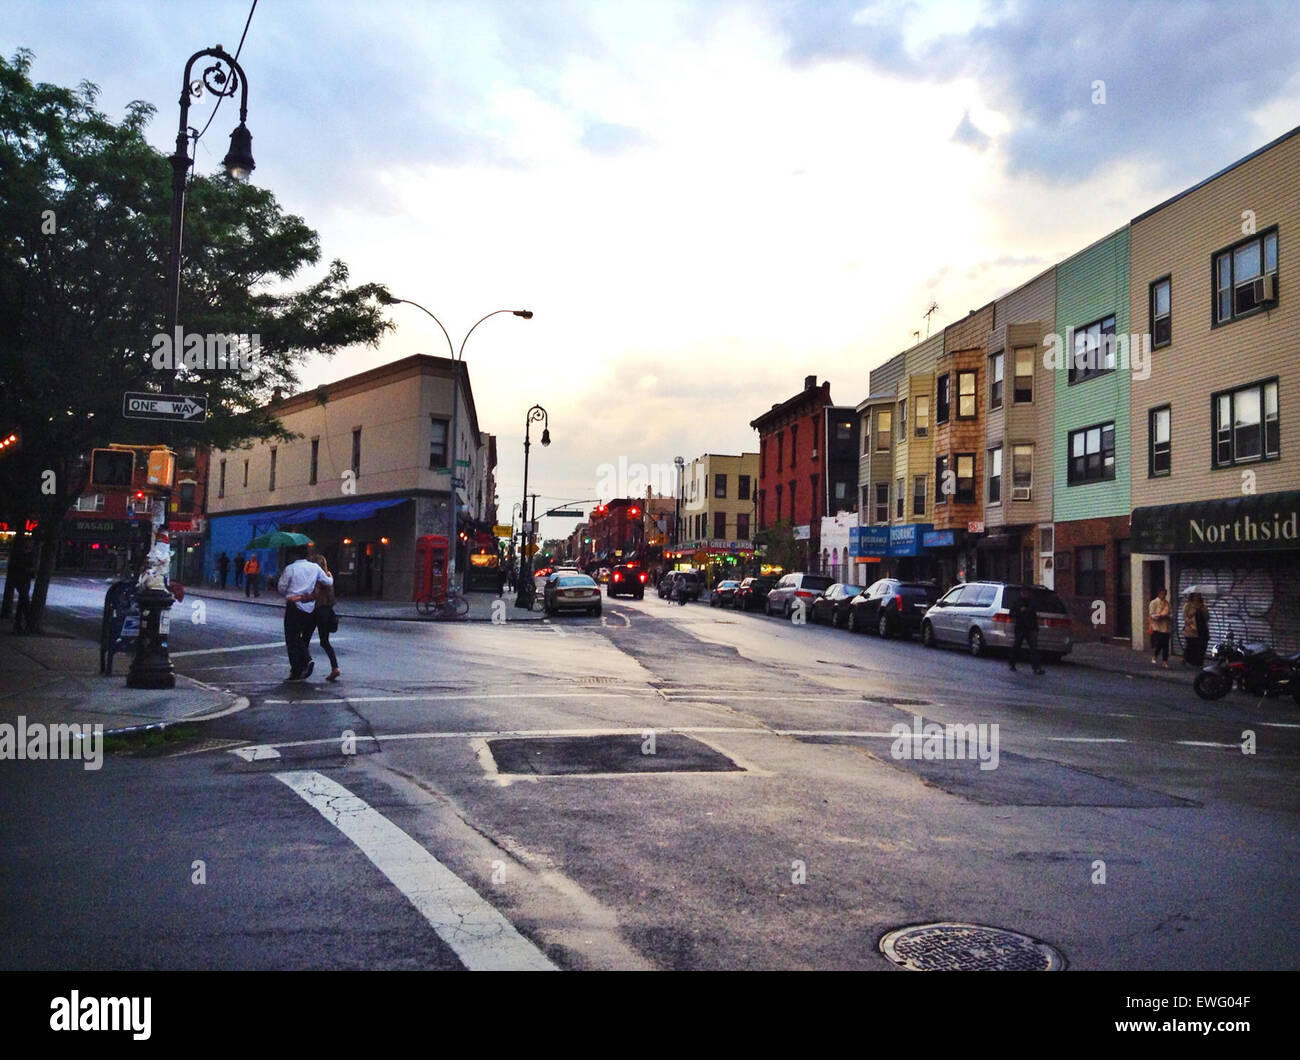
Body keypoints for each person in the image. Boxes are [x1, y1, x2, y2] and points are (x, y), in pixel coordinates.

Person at [278, 545, 332, 681]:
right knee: (302, 638)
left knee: (292, 638)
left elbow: (281, 588)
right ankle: (303, 663)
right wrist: (330, 576)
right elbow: (328, 581)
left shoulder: (290, 569)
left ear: (294, 555)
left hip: (293, 605)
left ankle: (299, 667)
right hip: (309, 607)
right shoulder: (315, 568)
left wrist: (291, 591)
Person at [310, 552, 341, 682]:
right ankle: (335, 668)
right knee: (324, 641)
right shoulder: (329, 576)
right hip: (328, 611)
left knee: (304, 638)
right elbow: (332, 598)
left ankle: (304, 664)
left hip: (317, 610)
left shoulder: (319, 578)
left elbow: (314, 594)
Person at [1008, 589, 1044, 674]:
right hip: (1020, 627)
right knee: (1017, 646)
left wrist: (1035, 628)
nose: (1025, 594)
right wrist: (1020, 611)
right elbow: (1011, 614)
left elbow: (1034, 614)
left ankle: (1036, 667)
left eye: (1026, 593)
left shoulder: (1032, 603)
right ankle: (1012, 663)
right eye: (1024, 593)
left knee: (1033, 648)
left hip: (1031, 628)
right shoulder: (1017, 602)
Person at [9, 539, 34, 635]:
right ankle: (24, 622)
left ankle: (19, 624)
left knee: (22, 601)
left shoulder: (28, 555)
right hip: (21, 579)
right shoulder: (21, 555)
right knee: (24, 601)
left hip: (24, 580)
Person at [1183, 592, 1210, 666]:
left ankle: (1199, 661)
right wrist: (1194, 612)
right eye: (1195, 596)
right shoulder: (1187, 606)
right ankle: (1188, 660)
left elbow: (1207, 618)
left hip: (1202, 629)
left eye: (1198, 595)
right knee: (1191, 646)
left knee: (1202, 646)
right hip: (1192, 629)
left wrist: (1204, 611)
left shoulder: (1203, 606)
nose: (1197, 597)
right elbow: (1185, 617)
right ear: (1192, 596)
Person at [1148, 587, 1172, 668]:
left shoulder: (1167, 603)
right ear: (1158, 594)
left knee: (1166, 645)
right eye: (1161, 593)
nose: (1163, 595)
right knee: (1159, 643)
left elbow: (1171, 614)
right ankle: (1155, 655)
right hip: (1157, 627)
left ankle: (1165, 661)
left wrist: (1168, 616)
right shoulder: (1153, 602)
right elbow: (1151, 614)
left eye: (1164, 594)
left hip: (1166, 627)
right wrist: (1159, 616)